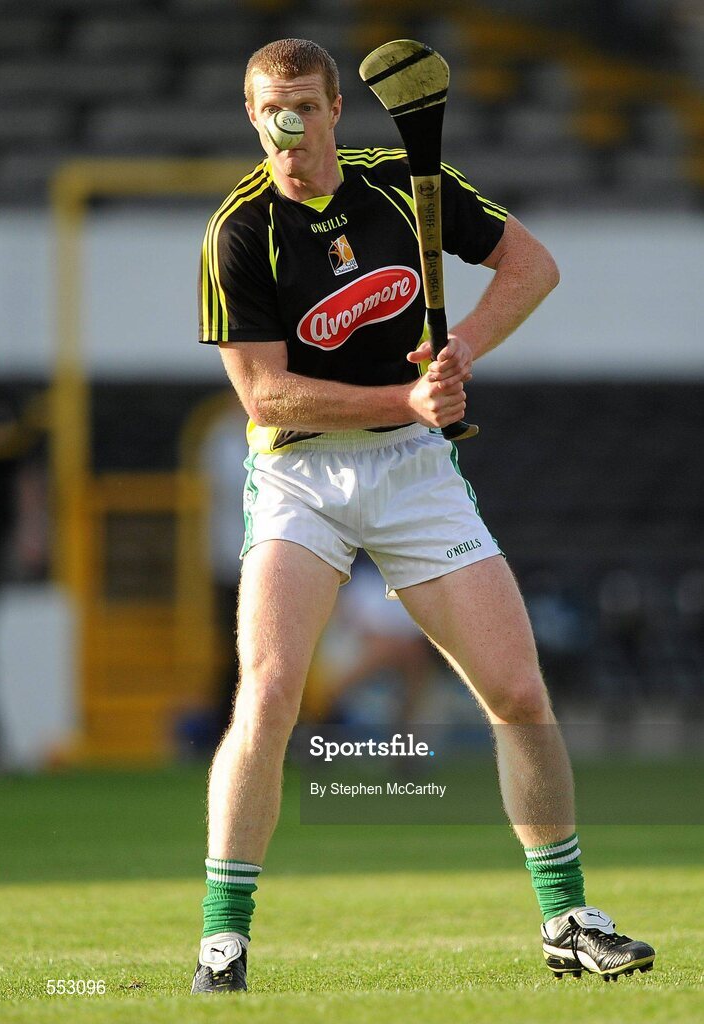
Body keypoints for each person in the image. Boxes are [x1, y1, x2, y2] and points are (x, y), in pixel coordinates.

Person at [191, 38, 655, 993]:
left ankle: (568, 919)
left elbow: (531, 263)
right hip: (300, 476)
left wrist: (460, 351)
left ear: (336, 110)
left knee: (517, 693)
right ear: (251, 116)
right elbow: (264, 395)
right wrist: (401, 399)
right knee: (268, 694)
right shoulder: (238, 230)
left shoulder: (404, 186)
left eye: (305, 105)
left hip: (413, 469)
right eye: (271, 109)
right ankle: (222, 945)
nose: (288, 124)